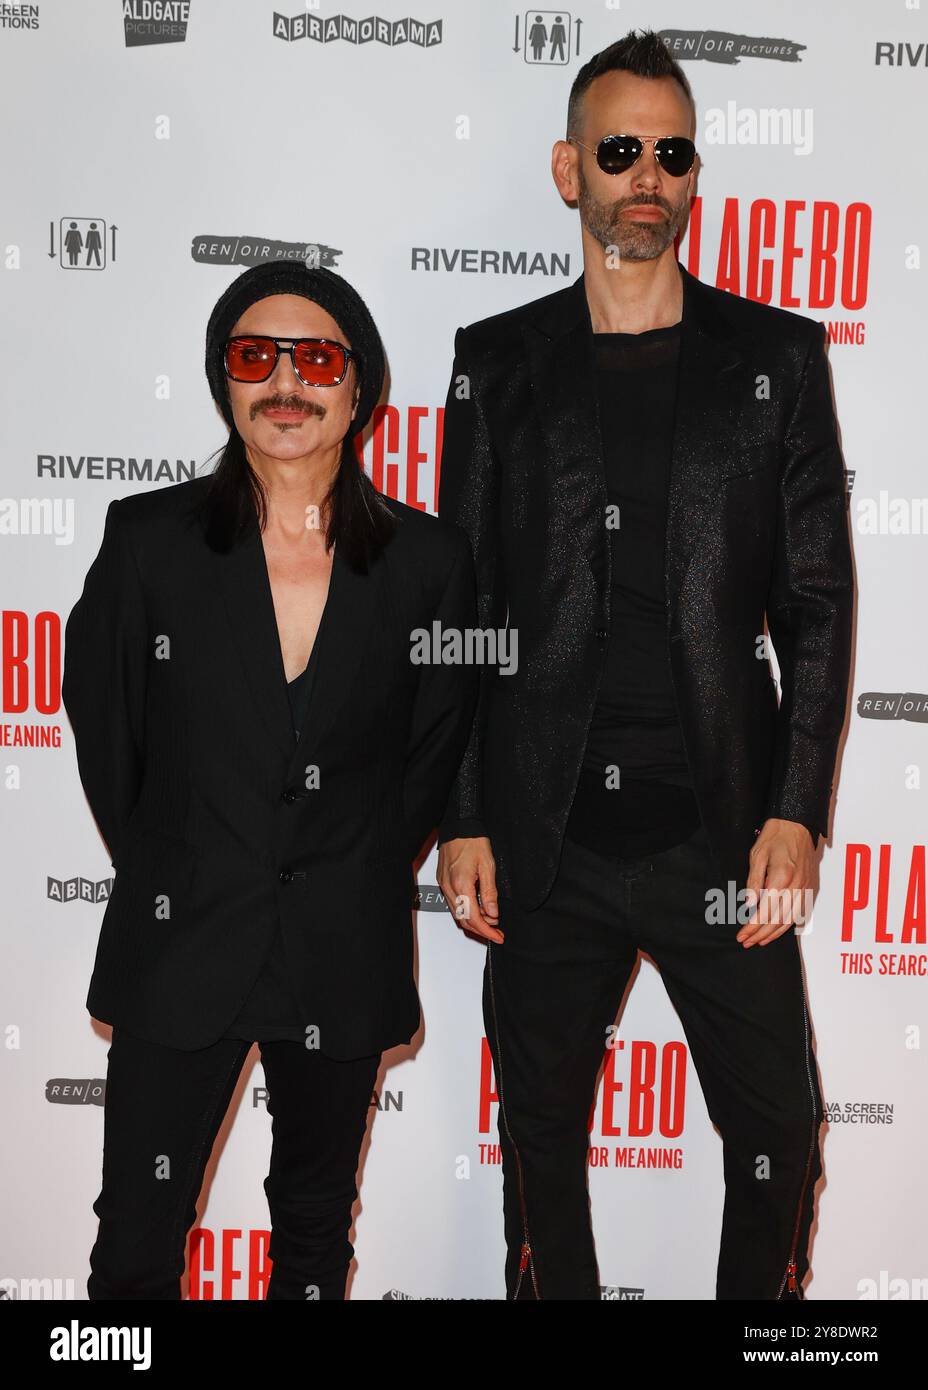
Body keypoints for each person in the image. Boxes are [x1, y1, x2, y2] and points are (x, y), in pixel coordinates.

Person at [436, 30, 854, 1300]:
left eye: (671, 152)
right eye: (619, 151)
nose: (647, 176)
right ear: (569, 170)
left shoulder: (775, 361)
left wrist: (795, 812)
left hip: (716, 833)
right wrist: (460, 816)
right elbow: (465, 603)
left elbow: (818, 600)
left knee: (778, 1129)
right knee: (541, 1147)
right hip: (545, 836)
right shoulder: (496, 360)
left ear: (692, 175)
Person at [62, 261, 478, 1300]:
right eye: (256, 357)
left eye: (317, 359)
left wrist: (354, 861)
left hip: (342, 939)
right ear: (224, 380)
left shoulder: (429, 565)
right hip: (182, 932)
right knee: (134, 1242)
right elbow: (108, 734)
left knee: (311, 1235)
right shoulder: (148, 541)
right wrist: (181, 853)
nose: (285, 384)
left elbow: (436, 747)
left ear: (358, 385)